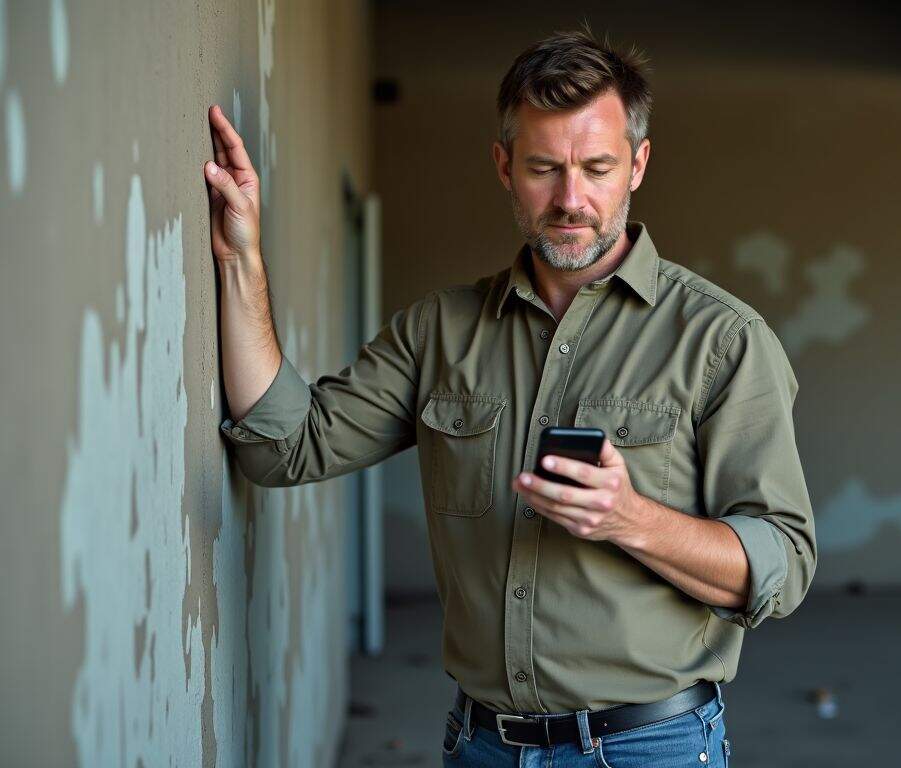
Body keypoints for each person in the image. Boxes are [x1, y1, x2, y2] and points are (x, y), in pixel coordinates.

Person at [206, 27, 816, 768]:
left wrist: (630, 518)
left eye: (597, 168)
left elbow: (781, 565)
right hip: (482, 745)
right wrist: (242, 260)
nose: (571, 199)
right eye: (542, 168)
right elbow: (284, 447)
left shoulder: (722, 341)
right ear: (503, 166)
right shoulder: (441, 332)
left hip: (651, 748)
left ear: (638, 166)